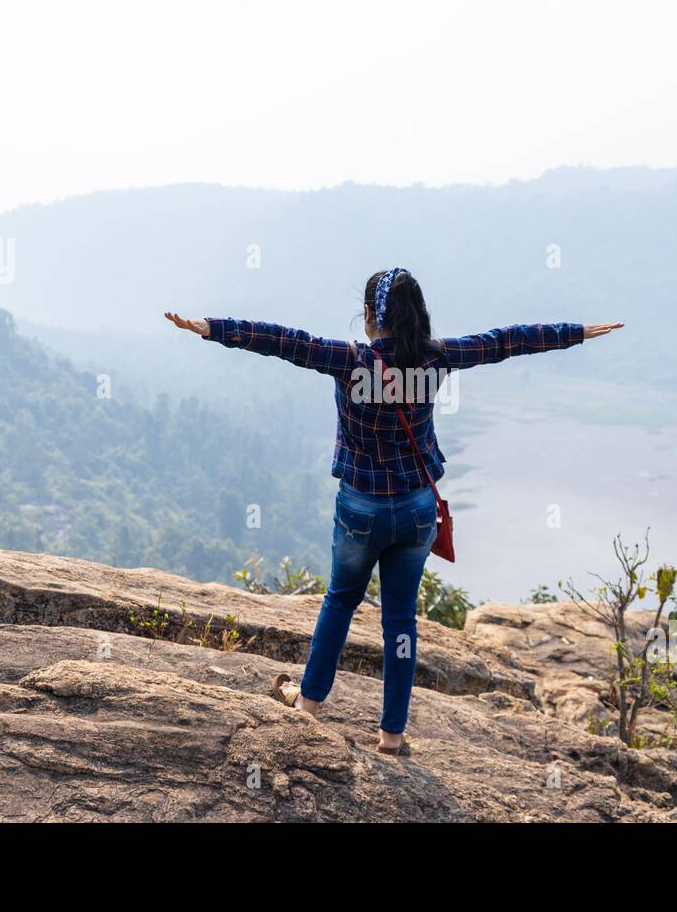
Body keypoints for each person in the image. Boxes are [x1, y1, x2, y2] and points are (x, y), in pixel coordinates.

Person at [165, 267, 622, 754]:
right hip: (416, 511)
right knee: (401, 620)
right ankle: (391, 736)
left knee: (341, 600)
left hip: (361, 509)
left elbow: (281, 341)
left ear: (368, 317)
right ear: (417, 316)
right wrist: (575, 333)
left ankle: (308, 706)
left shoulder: (349, 360)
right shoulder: (436, 357)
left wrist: (210, 327)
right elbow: (506, 342)